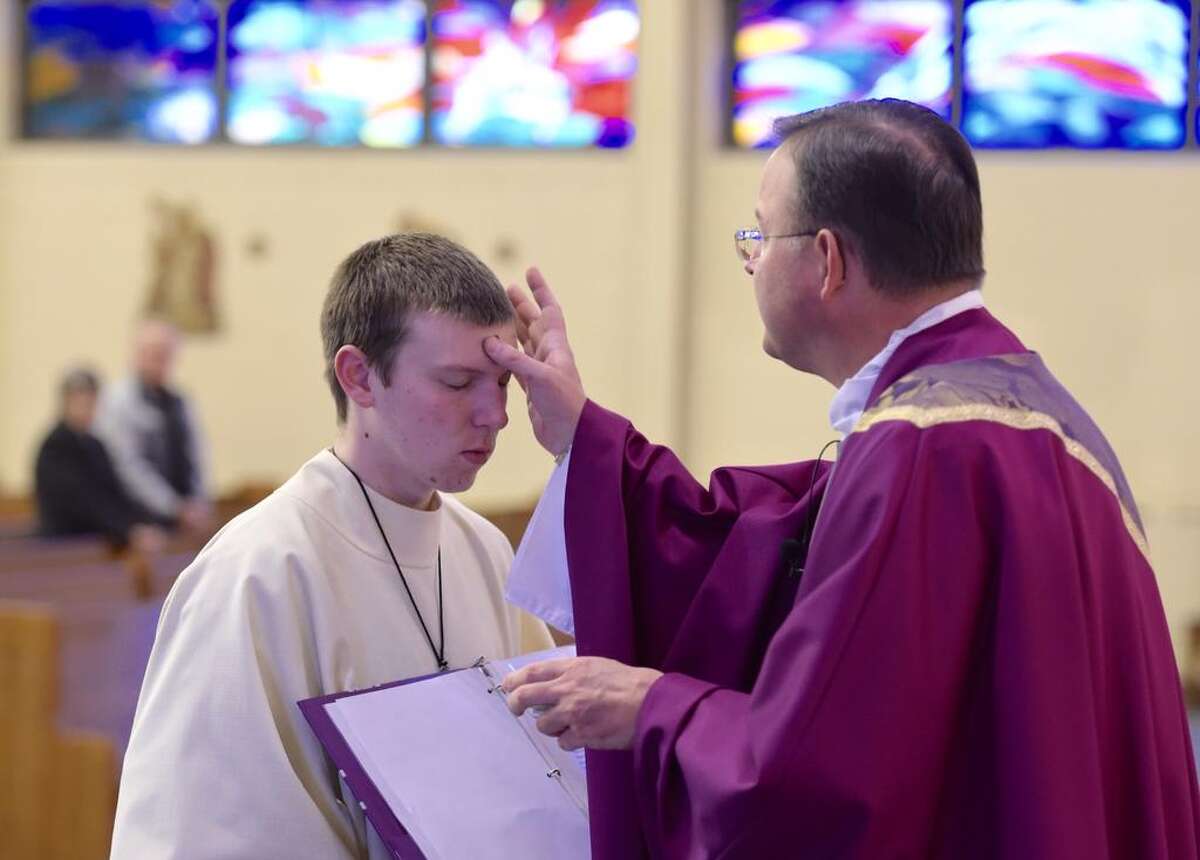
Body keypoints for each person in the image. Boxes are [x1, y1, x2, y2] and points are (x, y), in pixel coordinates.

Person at [485, 100, 1200, 858]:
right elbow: (771, 546)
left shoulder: (924, 448)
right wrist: (586, 439)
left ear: (827, 260)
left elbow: (820, 773)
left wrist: (649, 705)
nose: (750, 260)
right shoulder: (1021, 415)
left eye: (760, 235)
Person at [110, 233, 554, 859]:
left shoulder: (485, 551)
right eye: (458, 382)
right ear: (359, 376)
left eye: (503, 383)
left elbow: (541, 779)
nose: (495, 414)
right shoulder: (256, 572)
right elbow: (205, 832)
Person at [93, 316, 212, 535]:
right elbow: (127, 465)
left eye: (166, 354)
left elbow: (196, 455)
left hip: (185, 520)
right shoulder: (118, 402)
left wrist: (198, 503)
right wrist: (173, 507)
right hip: (140, 521)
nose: (160, 360)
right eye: (154, 353)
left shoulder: (179, 401)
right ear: (136, 354)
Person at [33, 367, 168, 553]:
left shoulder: (95, 444)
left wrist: (142, 523)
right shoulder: (55, 447)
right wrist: (128, 531)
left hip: (101, 542)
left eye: (91, 402)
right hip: (66, 547)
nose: (86, 408)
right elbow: (82, 503)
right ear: (65, 402)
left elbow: (116, 493)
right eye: (79, 401)